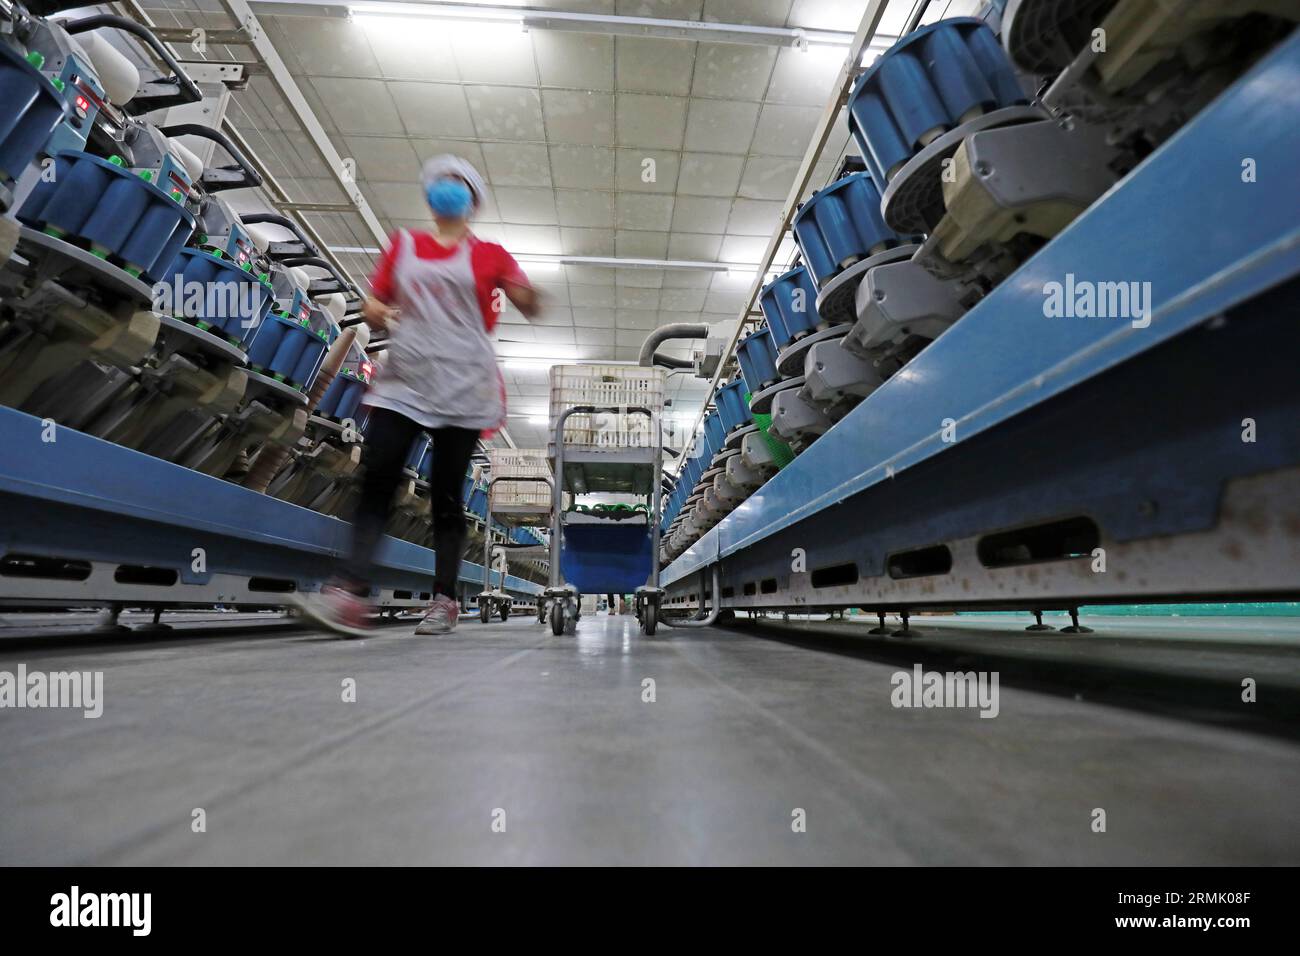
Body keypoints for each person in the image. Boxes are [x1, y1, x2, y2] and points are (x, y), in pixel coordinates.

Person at [305, 155, 539, 636]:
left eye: (459, 184)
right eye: (442, 182)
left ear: (472, 201)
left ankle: (445, 599)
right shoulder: (403, 245)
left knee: (447, 496)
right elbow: (376, 304)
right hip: (406, 382)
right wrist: (374, 311)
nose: (448, 189)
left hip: (462, 387)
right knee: (378, 477)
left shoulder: (491, 254)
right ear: (431, 195)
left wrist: (527, 293)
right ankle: (350, 591)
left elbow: (528, 302)